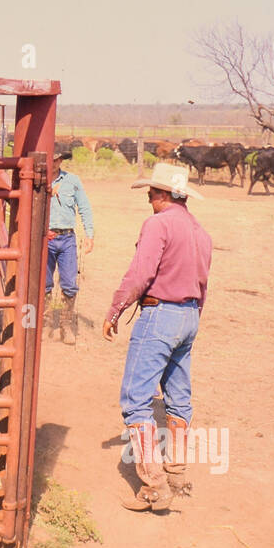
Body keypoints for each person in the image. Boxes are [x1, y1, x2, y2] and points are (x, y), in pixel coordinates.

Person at [102, 162, 212, 512]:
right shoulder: (200, 231)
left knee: (136, 400)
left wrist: (116, 309)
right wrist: (191, 320)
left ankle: (154, 486)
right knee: (178, 398)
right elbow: (203, 283)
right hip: (189, 315)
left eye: (152, 192)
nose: (148, 196)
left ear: (164, 194)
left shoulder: (158, 224)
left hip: (160, 314)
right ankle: (176, 472)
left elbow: (140, 273)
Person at [46, 148, 94, 345]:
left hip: (66, 238)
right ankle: (43, 322)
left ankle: (66, 325)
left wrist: (89, 234)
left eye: (58, 159)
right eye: (52, 159)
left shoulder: (72, 181)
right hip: (45, 238)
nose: (55, 163)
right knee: (43, 283)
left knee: (69, 283)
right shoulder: (37, 181)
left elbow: (84, 207)